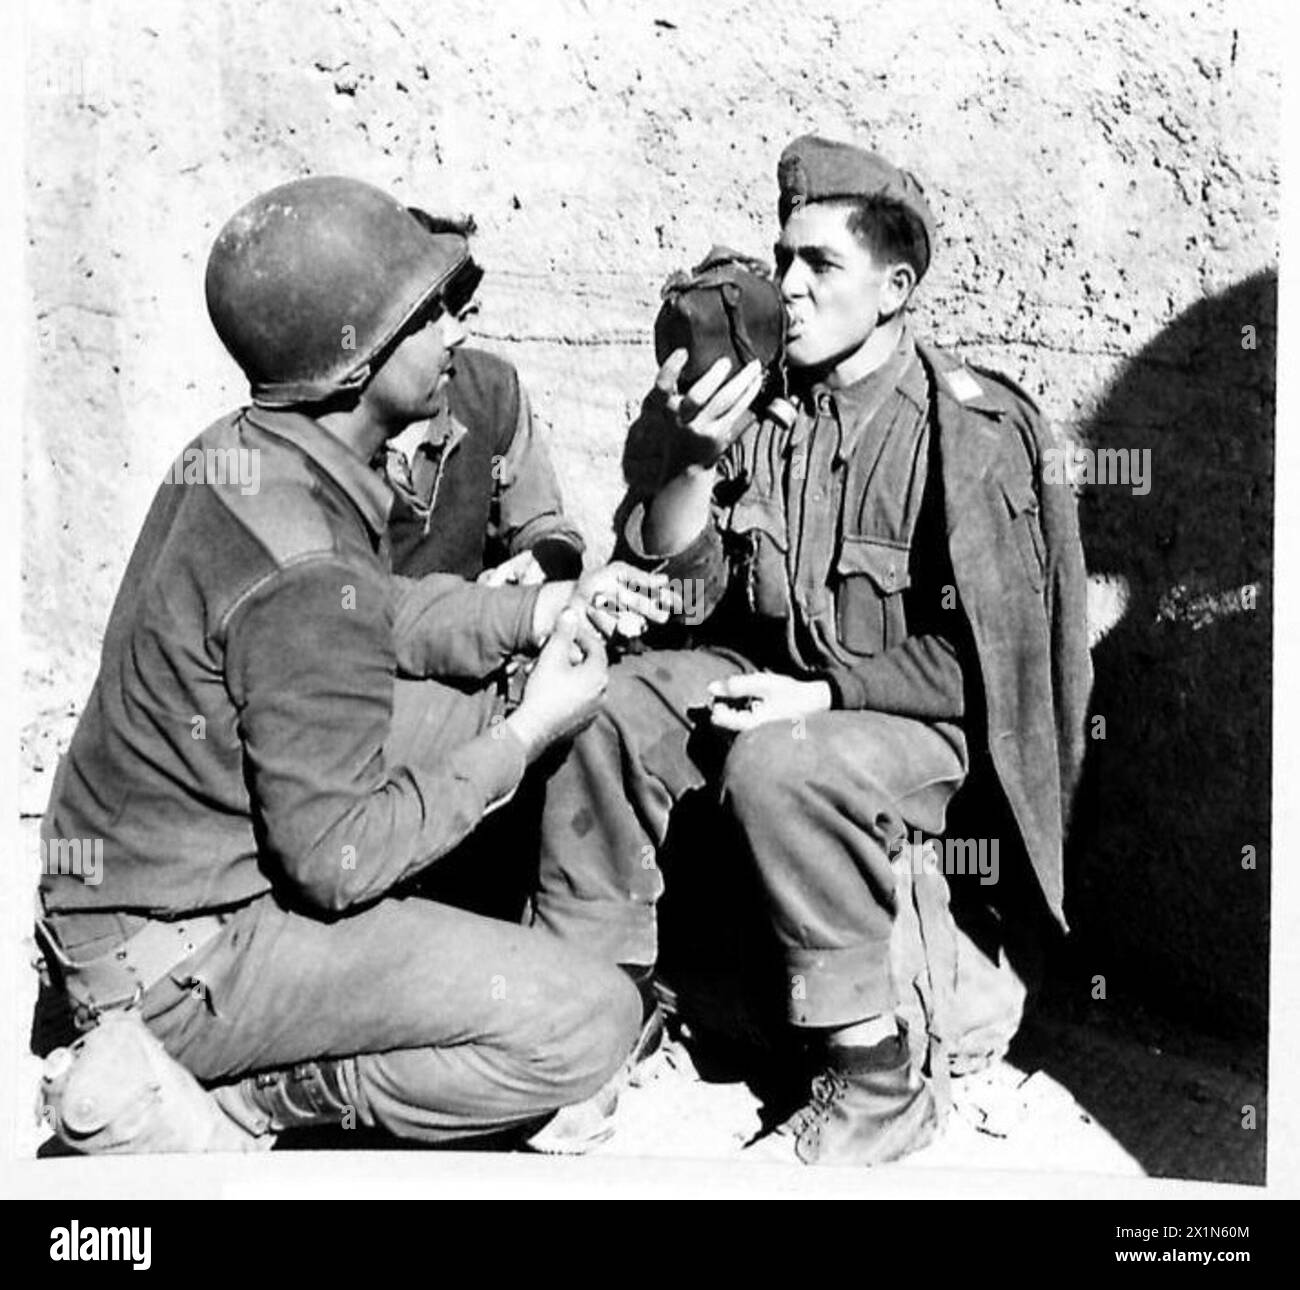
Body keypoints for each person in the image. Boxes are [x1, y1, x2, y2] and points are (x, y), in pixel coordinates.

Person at [34, 175, 669, 1151]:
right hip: (183, 956)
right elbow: (339, 861)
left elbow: (377, 612)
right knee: (588, 1025)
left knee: (474, 716)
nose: (455, 334)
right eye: (425, 316)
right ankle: (231, 1103)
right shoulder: (301, 551)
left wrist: (542, 608)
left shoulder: (245, 456)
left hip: (135, 894)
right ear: (355, 359)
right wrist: (529, 728)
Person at [526, 135, 1092, 1166]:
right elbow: (681, 598)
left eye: (820, 266)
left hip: (924, 739)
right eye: (782, 258)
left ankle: (872, 1079)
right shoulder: (763, 404)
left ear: (893, 287)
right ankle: (580, 1030)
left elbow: (993, 675)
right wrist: (693, 460)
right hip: (782, 692)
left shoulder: (966, 437)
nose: (786, 287)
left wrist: (822, 694)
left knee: (783, 760)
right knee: (615, 708)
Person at [385, 208, 585, 589]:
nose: (455, 336)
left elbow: (537, 520)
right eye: (429, 317)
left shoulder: (490, 390)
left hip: (473, 635)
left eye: (461, 315)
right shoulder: (334, 420)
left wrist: (545, 559)